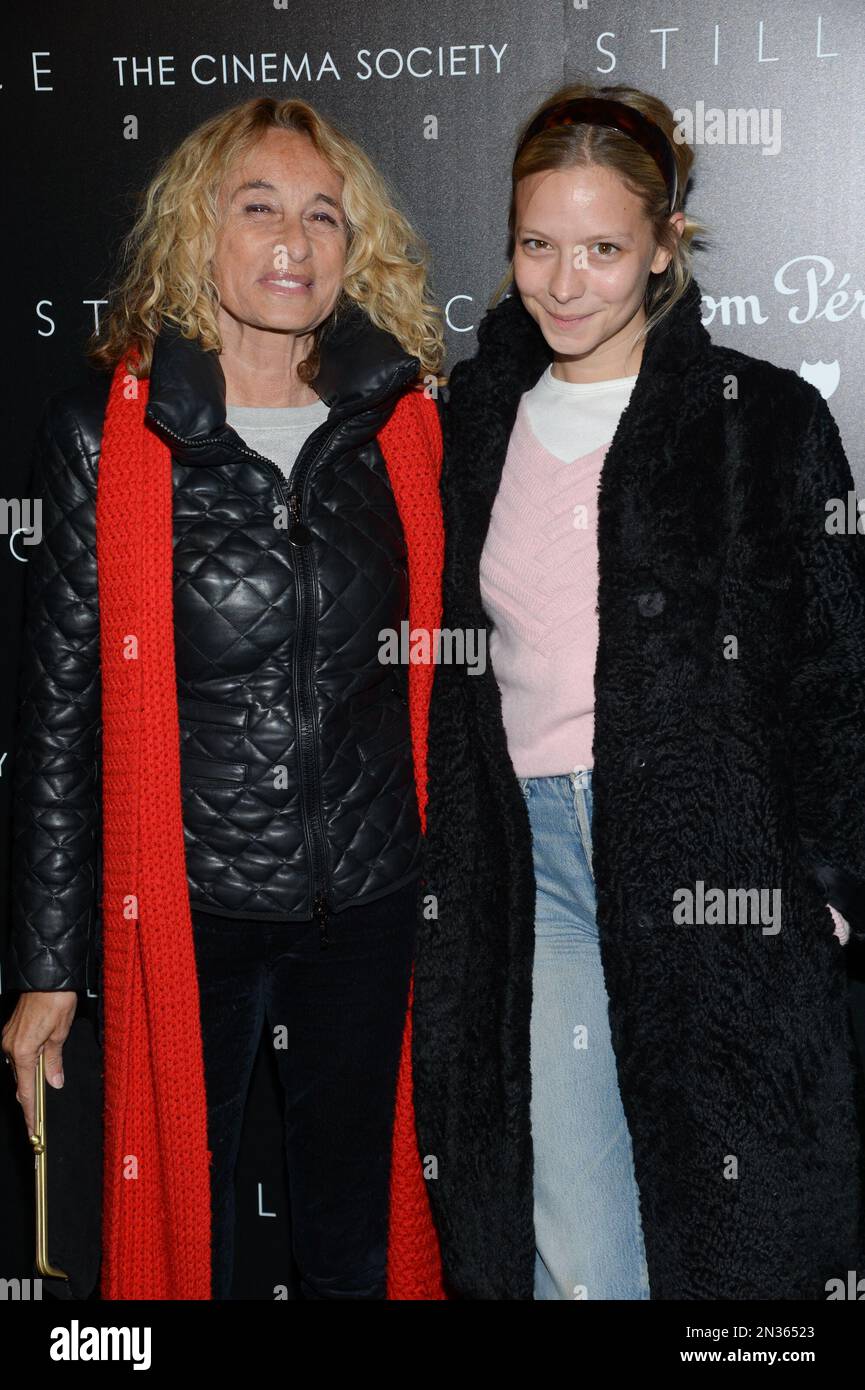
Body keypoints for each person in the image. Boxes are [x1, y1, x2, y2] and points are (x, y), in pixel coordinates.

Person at [413, 81, 865, 1300]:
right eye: (537, 245)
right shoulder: (469, 419)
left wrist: (831, 879)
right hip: (534, 868)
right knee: (577, 1237)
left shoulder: (760, 418)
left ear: (665, 245)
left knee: (733, 1231)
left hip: (710, 861)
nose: (564, 282)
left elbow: (833, 662)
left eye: (604, 247)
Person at [2, 95, 447, 1301]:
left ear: (357, 249)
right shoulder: (111, 433)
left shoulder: (400, 428)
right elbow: (55, 717)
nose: (292, 242)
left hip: (365, 901)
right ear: (197, 232)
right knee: (185, 1244)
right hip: (187, 908)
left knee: (357, 1239)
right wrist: (47, 965)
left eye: (322, 215)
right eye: (259, 209)